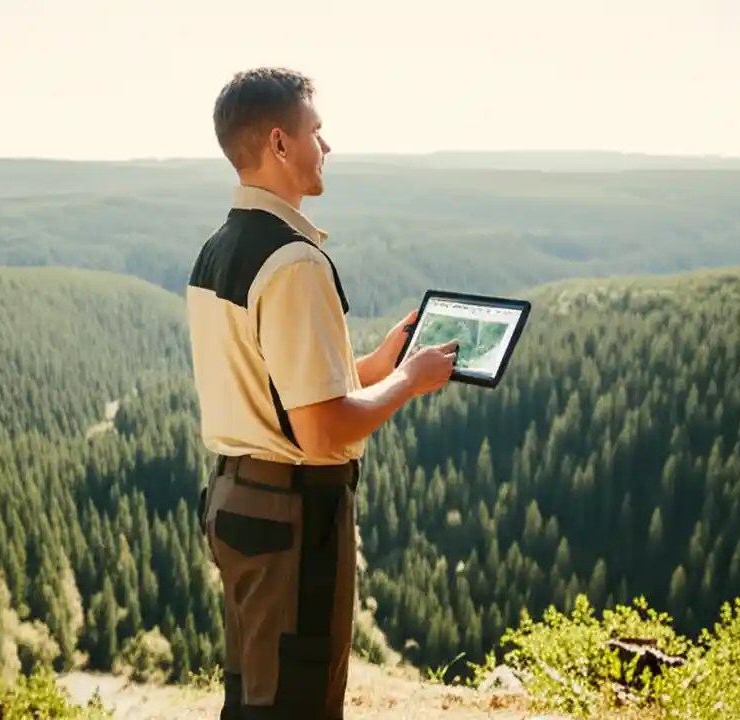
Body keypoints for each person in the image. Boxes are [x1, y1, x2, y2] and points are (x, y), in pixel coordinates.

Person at [187, 67, 459, 719]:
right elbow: (321, 431)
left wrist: (372, 364)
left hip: (238, 503)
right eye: (317, 131)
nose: (327, 147)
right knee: (297, 705)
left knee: (255, 696)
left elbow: (280, 393)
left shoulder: (220, 249)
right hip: (294, 518)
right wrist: (409, 381)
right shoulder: (295, 262)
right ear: (281, 144)